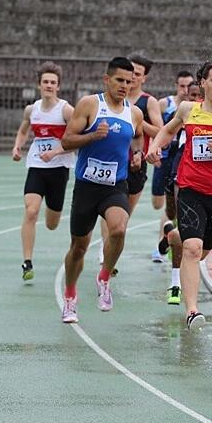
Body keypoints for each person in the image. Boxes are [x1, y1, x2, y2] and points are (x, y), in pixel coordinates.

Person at [146, 61, 212, 330]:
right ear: (202, 82)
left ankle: (174, 236)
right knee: (192, 250)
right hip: (190, 188)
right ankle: (192, 311)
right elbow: (168, 130)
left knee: (200, 253)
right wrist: (155, 147)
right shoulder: (188, 110)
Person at [58, 57, 144, 323]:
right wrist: (92, 136)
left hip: (115, 185)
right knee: (79, 248)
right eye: (119, 80)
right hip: (86, 187)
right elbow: (67, 140)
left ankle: (104, 277)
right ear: (106, 80)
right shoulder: (90, 105)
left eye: (129, 82)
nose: (124, 86)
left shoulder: (134, 112)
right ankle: (70, 296)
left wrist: (138, 153)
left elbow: (138, 135)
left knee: (119, 228)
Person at [11, 61, 75, 281]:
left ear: (58, 86)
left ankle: (53, 215)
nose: (49, 85)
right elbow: (23, 131)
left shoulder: (66, 110)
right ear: (39, 85)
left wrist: (56, 152)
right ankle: (27, 262)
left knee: (51, 223)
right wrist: (17, 146)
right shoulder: (32, 109)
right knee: (30, 211)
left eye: (53, 82)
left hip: (59, 169)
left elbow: (76, 139)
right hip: (37, 166)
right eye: (45, 82)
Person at [151, 70, 195, 264]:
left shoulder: (197, 108)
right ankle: (170, 235)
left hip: (184, 158)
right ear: (176, 86)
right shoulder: (166, 104)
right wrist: (155, 148)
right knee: (160, 204)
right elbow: (160, 129)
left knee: (180, 207)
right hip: (167, 158)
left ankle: (166, 242)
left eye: (189, 86)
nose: (185, 90)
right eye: (182, 86)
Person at [124, 53, 163, 214]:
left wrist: (138, 119)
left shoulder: (149, 101)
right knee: (110, 214)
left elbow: (160, 131)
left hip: (136, 162)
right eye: (130, 71)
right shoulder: (113, 98)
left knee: (125, 215)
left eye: (137, 74)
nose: (133, 76)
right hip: (112, 159)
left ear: (144, 78)